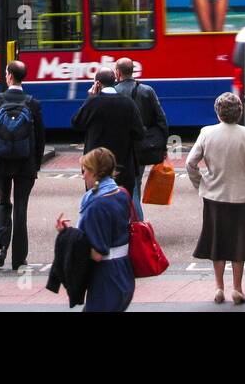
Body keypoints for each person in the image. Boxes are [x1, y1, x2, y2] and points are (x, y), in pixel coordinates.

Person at [187, 91, 245, 304]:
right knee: (239, 244)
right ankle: (237, 289)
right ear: (239, 112)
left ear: (218, 111)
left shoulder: (207, 132)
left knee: (217, 242)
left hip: (214, 196)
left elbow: (190, 163)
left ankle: (218, 287)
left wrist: (201, 184)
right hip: (242, 197)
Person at [0, 60, 45, 270]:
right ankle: (19, 258)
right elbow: (41, 138)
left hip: (0, 161)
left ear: (9, 75)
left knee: (2, 202)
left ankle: (1, 247)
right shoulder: (32, 103)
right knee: (21, 208)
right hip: (25, 163)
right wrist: (35, 164)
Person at [55, 147, 135, 312]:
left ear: (94, 173)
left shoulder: (95, 206)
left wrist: (68, 235)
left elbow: (97, 254)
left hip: (106, 280)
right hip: (124, 273)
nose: (83, 175)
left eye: (85, 170)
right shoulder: (121, 194)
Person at [70, 66, 144, 200]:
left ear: (97, 83)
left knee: (97, 206)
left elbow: (77, 123)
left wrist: (90, 98)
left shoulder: (93, 103)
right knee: (122, 209)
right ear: (114, 80)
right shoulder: (128, 103)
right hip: (123, 167)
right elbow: (140, 133)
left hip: (96, 168)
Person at [114, 57, 168, 220]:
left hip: (121, 148)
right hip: (142, 147)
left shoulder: (114, 92)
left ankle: (137, 224)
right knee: (136, 184)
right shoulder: (147, 90)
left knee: (128, 188)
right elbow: (161, 119)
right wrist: (163, 146)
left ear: (118, 72)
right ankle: (135, 221)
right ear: (133, 71)